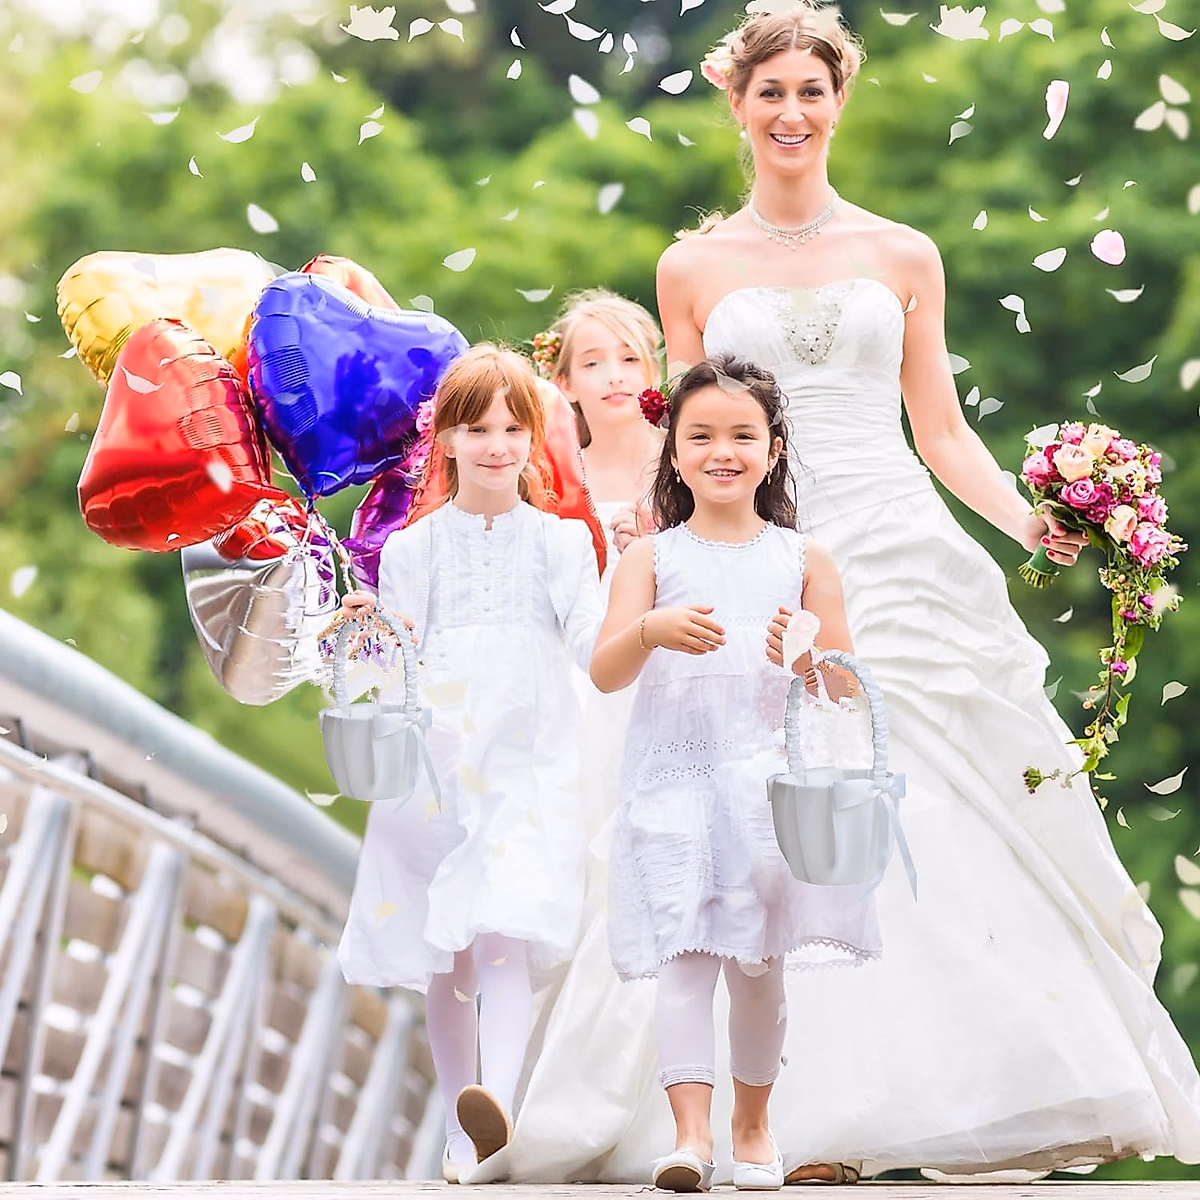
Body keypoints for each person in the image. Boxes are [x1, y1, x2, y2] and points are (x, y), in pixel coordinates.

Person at [470, 1, 1200, 1186]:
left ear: (838, 101)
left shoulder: (905, 254)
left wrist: (1027, 518)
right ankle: (767, 1124)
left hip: (899, 542)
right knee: (752, 809)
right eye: (772, 95)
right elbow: (691, 436)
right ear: (739, 106)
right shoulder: (692, 267)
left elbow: (942, 425)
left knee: (924, 797)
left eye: (813, 92)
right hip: (758, 538)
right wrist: (647, 558)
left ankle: (955, 1091)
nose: (793, 114)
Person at [591, 355, 877, 1191]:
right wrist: (649, 630)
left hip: (763, 790)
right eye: (702, 435)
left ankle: (753, 1129)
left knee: (757, 965)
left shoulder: (803, 558)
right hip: (673, 778)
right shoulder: (650, 557)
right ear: (674, 454)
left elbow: (845, 686)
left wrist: (806, 656)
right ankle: (691, 1139)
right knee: (684, 955)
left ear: (774, 449)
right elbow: (605, 671)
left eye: (743, 435)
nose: (723, 450)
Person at [333, 345, 604, 1183]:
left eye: (512, 428)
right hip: (440, 754)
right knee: (442, 952)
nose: (496, 445)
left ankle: (501, 1112)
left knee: (503, 931)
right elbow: (399, 655)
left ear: (535, 438)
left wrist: (645, 617)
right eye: (476, 427)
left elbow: (593, 643)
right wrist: (365, 633)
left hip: (529, 751)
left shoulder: (561, 543)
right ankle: (461, 1128)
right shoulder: (414, 548)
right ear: (444, 438)